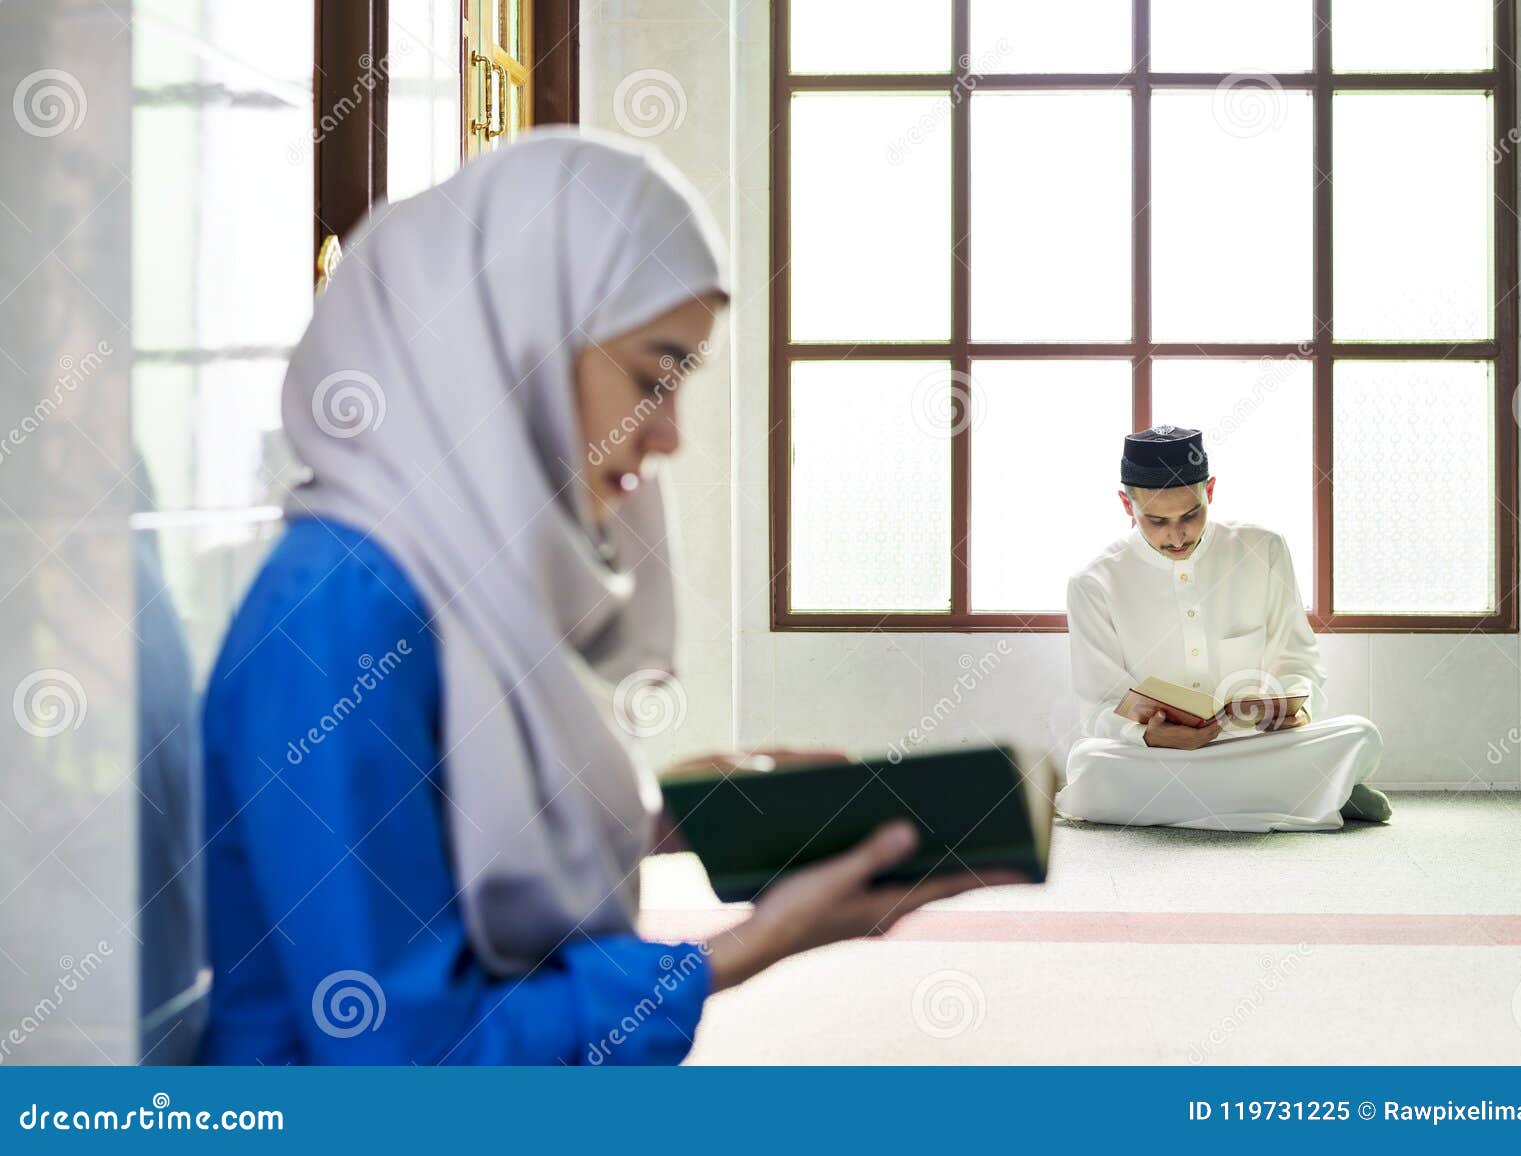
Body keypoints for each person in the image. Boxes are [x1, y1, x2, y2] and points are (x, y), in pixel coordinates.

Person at [199, 131, 1014, 1065]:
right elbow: (405, 1059)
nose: (668, 434)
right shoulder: (340, 609)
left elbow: (453, 857)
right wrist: (744, 950)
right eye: (650, 376)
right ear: (517, 345)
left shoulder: (442, 576)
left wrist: (689, 817)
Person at [1055, 425, 1390, 832]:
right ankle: (1318, 792)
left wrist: (1296, 710)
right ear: (1127, 504)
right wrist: (1148, 736)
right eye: (1156, 520)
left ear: (1209, 492)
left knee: (1360, 733)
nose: (1176, 535)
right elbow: (1099, 706)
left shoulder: (1263, 548)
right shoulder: (1093, 583)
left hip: (1254, 744)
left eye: (1190, 515)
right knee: (1091, 764)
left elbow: (1298, 661)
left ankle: (1273, 791)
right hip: (1158, 756)